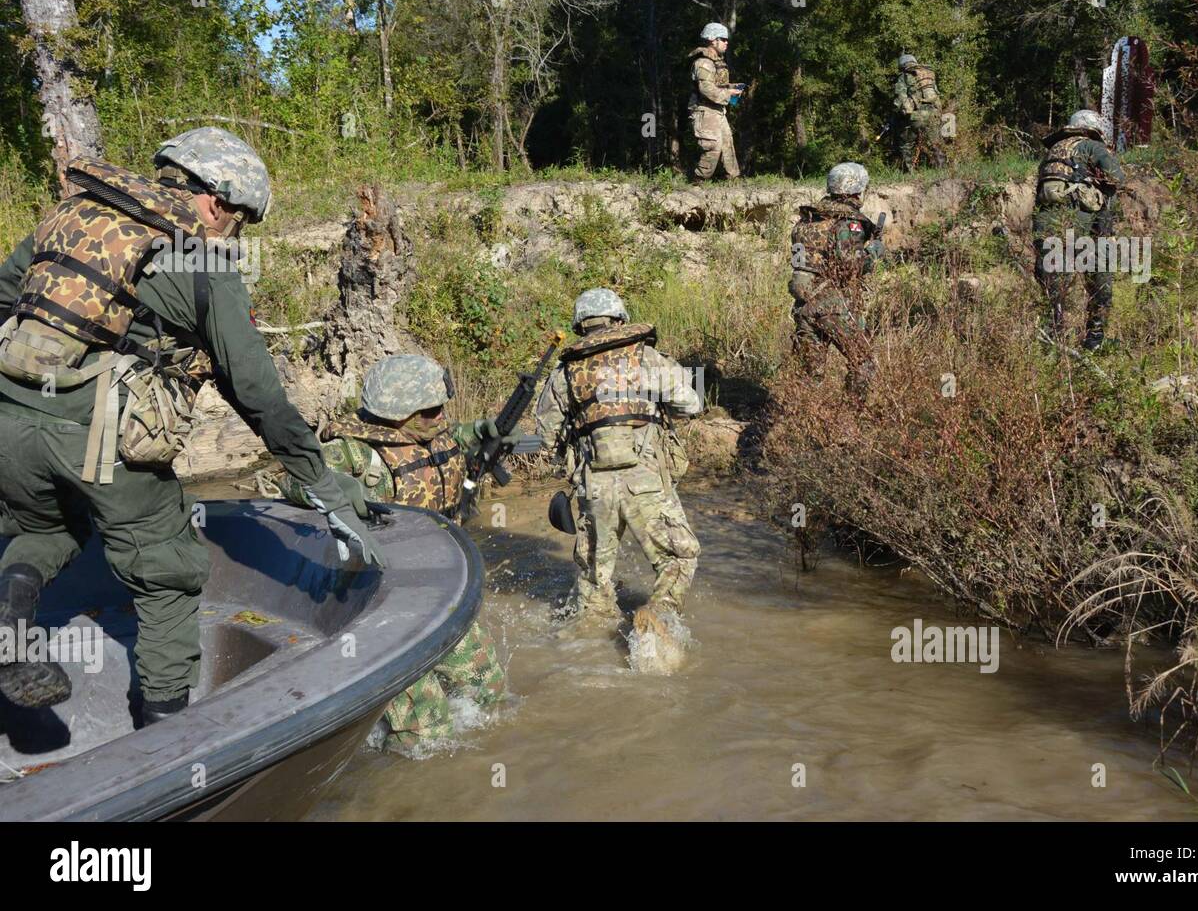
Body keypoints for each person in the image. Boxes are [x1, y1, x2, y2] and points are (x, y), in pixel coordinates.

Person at [0, 127, 383, 723]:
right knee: (168, 574)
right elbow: (256, 392)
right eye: (240, 221)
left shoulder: (73, 216)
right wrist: (323, 483)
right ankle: (166, 737)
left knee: (49, 529)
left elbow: (6, 300)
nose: (235, 233)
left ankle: (10, 627)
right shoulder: (199, 261)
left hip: (10, 418)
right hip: (96, 438)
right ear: (216, 200)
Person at [272, 354, 509, 755]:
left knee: (488, 690)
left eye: (440, 409)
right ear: (398, 414)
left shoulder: (432, 433)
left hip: (436, 592)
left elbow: (457, 436)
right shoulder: (354, 452)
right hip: (381, 607)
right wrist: (336, 490)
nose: (440, 417)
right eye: (430, 411)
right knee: (427, 731)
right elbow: (293, 479)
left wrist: (481, 431)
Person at [534, 288, 701, 664]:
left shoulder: (567, 371)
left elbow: (546, 432)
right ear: (620, 320)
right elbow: (691, 404)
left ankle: (586, 651)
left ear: (581, 326)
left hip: (594, 485)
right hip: (646, 481)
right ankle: (658, 613)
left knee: (595, 580)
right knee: (678, 556)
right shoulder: (646, 357)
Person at [1032, 109, 1126, 350]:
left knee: (1053, 287)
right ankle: (1095, 339)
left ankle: (1052, 342)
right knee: (1101, 278)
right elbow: (1117, 177)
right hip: (1079, 223)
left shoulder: (1052, 153)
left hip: (1044, 224)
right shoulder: (1091, 147)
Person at [789, 162, 881, 388]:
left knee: (808, 377)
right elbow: (851, 266)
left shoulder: (806, 221)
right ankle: (852, 418)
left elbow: (803, 262)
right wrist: (874, 252)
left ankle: (799, 420)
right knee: (864, 363)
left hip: (802, 306)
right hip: (832, 306)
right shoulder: (848, 223)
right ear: (857, 190)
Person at [688, 22, 744, 182]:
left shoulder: (715, 61)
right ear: (713, 40)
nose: (727, 42)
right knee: (713, 146)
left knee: (727, 144)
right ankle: (698, 182)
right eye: (723, 39)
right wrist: (728, 93)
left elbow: (715, 85)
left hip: (717, 110)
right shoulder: (703, 63)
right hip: (704, 111)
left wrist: (731, 88)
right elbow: (706, 89)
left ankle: (733, 181)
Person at [893, 54, 945, 171]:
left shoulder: (904, 76)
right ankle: (942, 170)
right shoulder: (928, 74)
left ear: (902, 65)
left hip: (916, 117)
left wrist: (902, 114)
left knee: (906, 144)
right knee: (935, 144)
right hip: (933, 114)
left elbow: (900, 100)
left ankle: (909, 172)